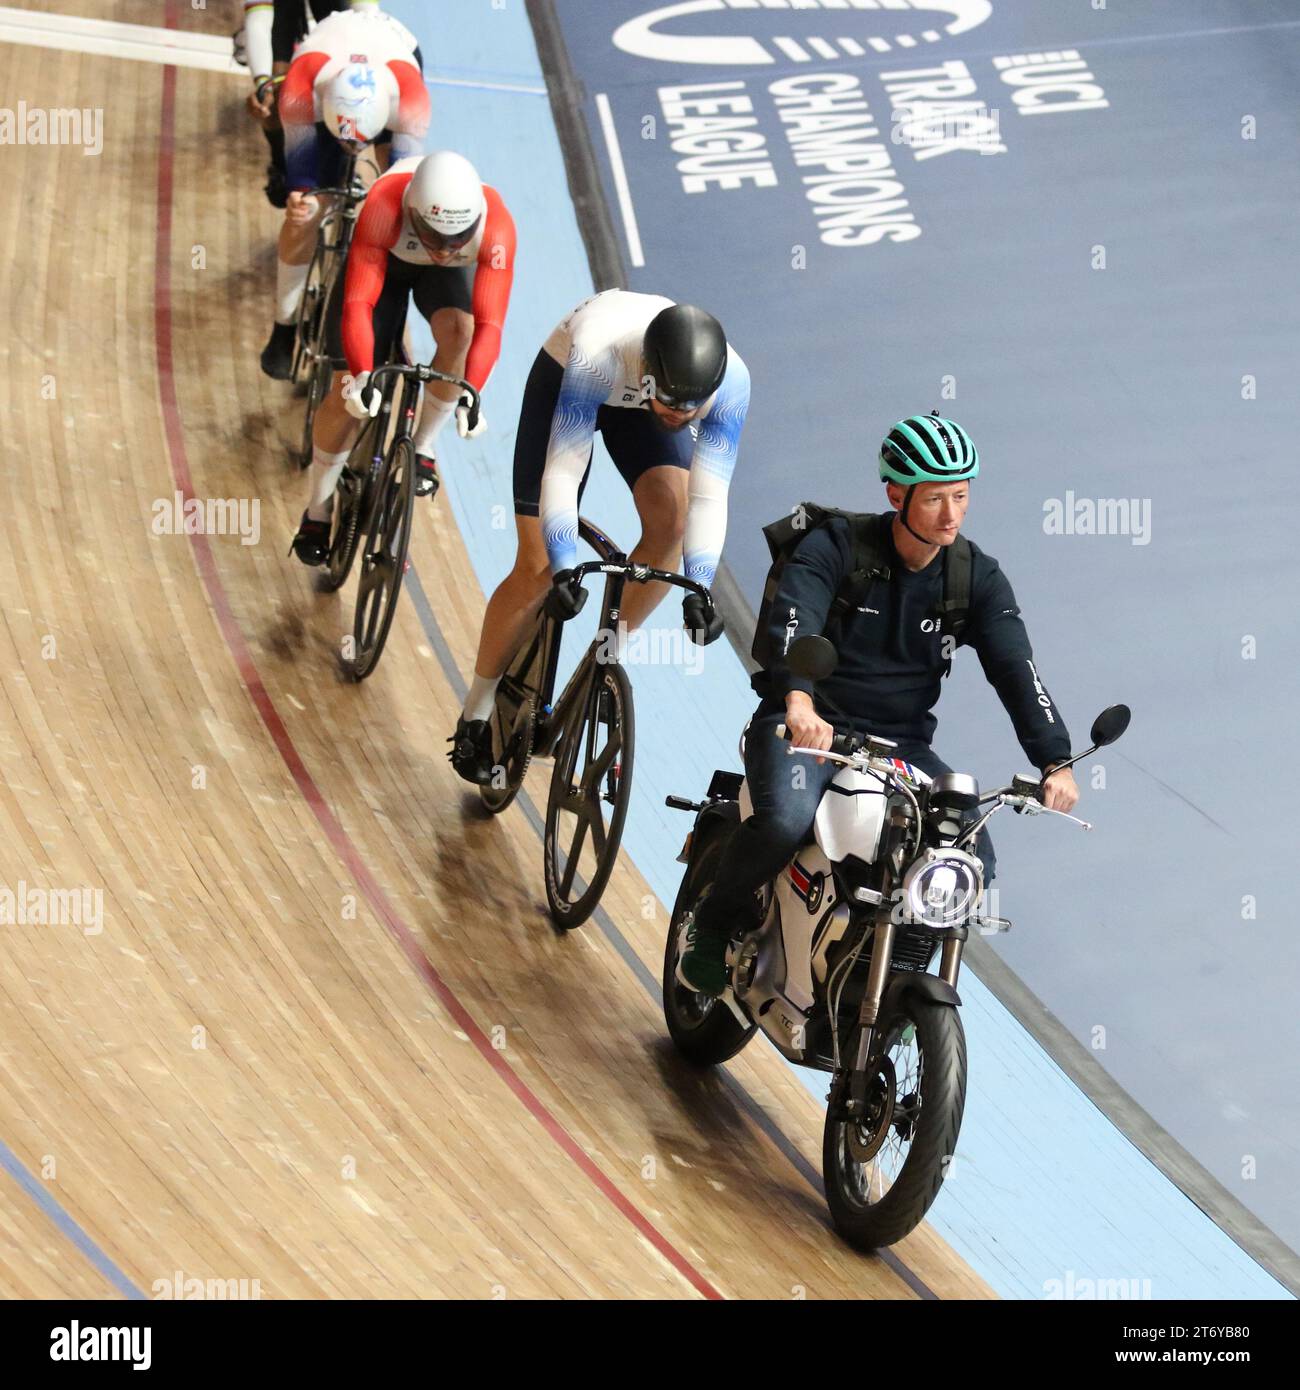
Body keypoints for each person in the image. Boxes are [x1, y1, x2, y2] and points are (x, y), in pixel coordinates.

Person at [678, 412, 1081, 997]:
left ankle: (898, 966)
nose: (952, 514)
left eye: (962, 496)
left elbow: (1017, 670)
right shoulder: (837, 545)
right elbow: (796, 617)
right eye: (936, 498)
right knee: (784, 821)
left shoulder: (974, 579)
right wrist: (798, 700)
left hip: (902, 746)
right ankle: (710, 928)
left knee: (971, 857)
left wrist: (1055, 760)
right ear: (896, 493)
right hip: (807, 727)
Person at [447, 290, 751, 785]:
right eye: (672, 406)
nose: (679, 417)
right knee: (538, 565)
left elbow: (709, 498)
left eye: (689, 413)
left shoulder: (731, 383)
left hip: (641, 398)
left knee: (672, 526)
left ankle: (601, 663)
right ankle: (476, 711)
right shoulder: (597, 350)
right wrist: (566, 565)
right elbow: (564, 471)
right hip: (575, 376)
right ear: (651, 374)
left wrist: (699, 585)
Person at [289, 151, 517, 563]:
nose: (446, 250)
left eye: (458, 239)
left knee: (460, 333)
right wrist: (360, 375)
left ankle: (424, 447)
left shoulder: (496, 228)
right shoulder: (383, 206)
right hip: (384, 265)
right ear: (413, 212)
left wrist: (473, 393)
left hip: (438, 282)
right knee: (345, 393)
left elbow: (490, 326)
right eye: (435, 238)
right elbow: (359, 302)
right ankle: (318, 508)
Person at [259, 2, 429, 380]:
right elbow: (300, 176)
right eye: (346, 141)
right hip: (326, 69)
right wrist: (301, 194)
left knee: (401, 200)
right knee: (304, 210)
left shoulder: (409, 96)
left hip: (393, 69)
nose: (354, 149)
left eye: (360, 143)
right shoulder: (303, 84)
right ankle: (283, 327)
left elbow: (404, 176)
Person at [241, 0, 356, 208]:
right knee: (275, 96)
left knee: (348, 86)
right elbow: (258, 22)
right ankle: (280, 161)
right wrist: (263, 82)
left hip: (337, 21)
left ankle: (348, 157)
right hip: (282, 8)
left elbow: (361, 19)